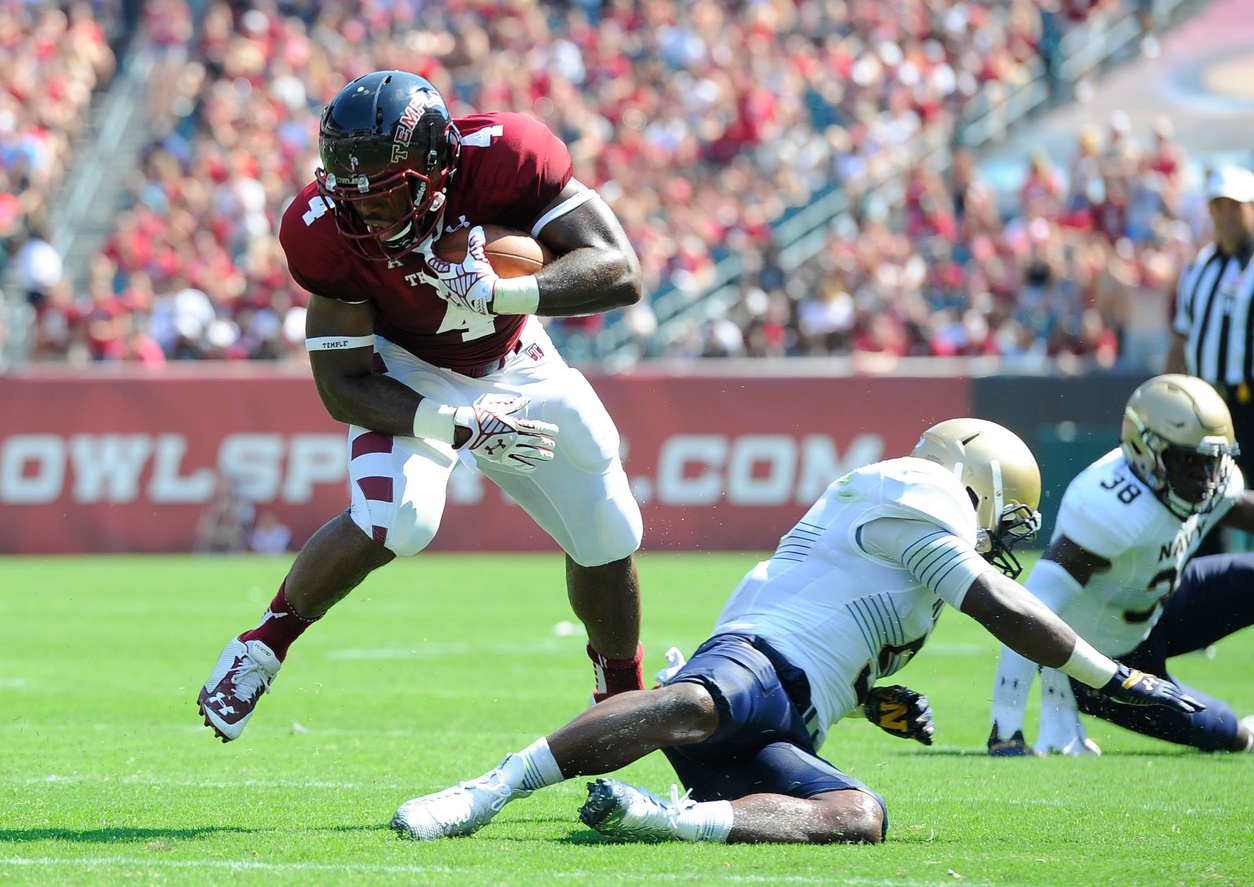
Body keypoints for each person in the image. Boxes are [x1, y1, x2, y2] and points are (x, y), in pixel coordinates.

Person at [389, 418, 1200, 845]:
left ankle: (664, 817)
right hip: (753, 665)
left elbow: (843, 646)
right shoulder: (917, 486)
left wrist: (868, 702)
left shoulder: (920, 555)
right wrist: (1113, 677)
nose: (1003, 539)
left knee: (860, 814)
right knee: (699, 706)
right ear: (978, 483)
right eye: (1005, 517)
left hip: (786, 718)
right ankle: (486, 789)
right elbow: (998, 604)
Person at [197, 70, 647, 742]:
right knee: (399, 516)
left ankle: (623, 701)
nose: (367, 218)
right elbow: (341, 384)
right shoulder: (324, 231)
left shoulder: (509, 159)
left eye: (384, 198)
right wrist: (456, 424)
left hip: (515, 354)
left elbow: (620, 270)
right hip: (407, 366)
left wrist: (504, 294)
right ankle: (262, 645)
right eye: (351, 199)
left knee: (610, 527)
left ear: (437, 166)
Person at [989, 375, 1254, 756]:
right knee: (1231, 734)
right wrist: (1006, 735)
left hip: (1162, 605)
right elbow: (1028, 611)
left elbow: (1237, 505)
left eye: (1210, 462)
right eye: (1188, 462)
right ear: (1145, 449)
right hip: (1105, 664)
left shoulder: (1215, 480)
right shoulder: (1110, 509)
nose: (1203, 478)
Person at [1165, 165, 1254, 554]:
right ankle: (1206, 604)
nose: (1226, 215)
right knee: (1201, 503)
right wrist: (1166, 393)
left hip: (1249, 400)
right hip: (1206, 405)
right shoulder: (1201, 265)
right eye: (1219, 206)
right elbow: (1182, 335)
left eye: (1235, 206)